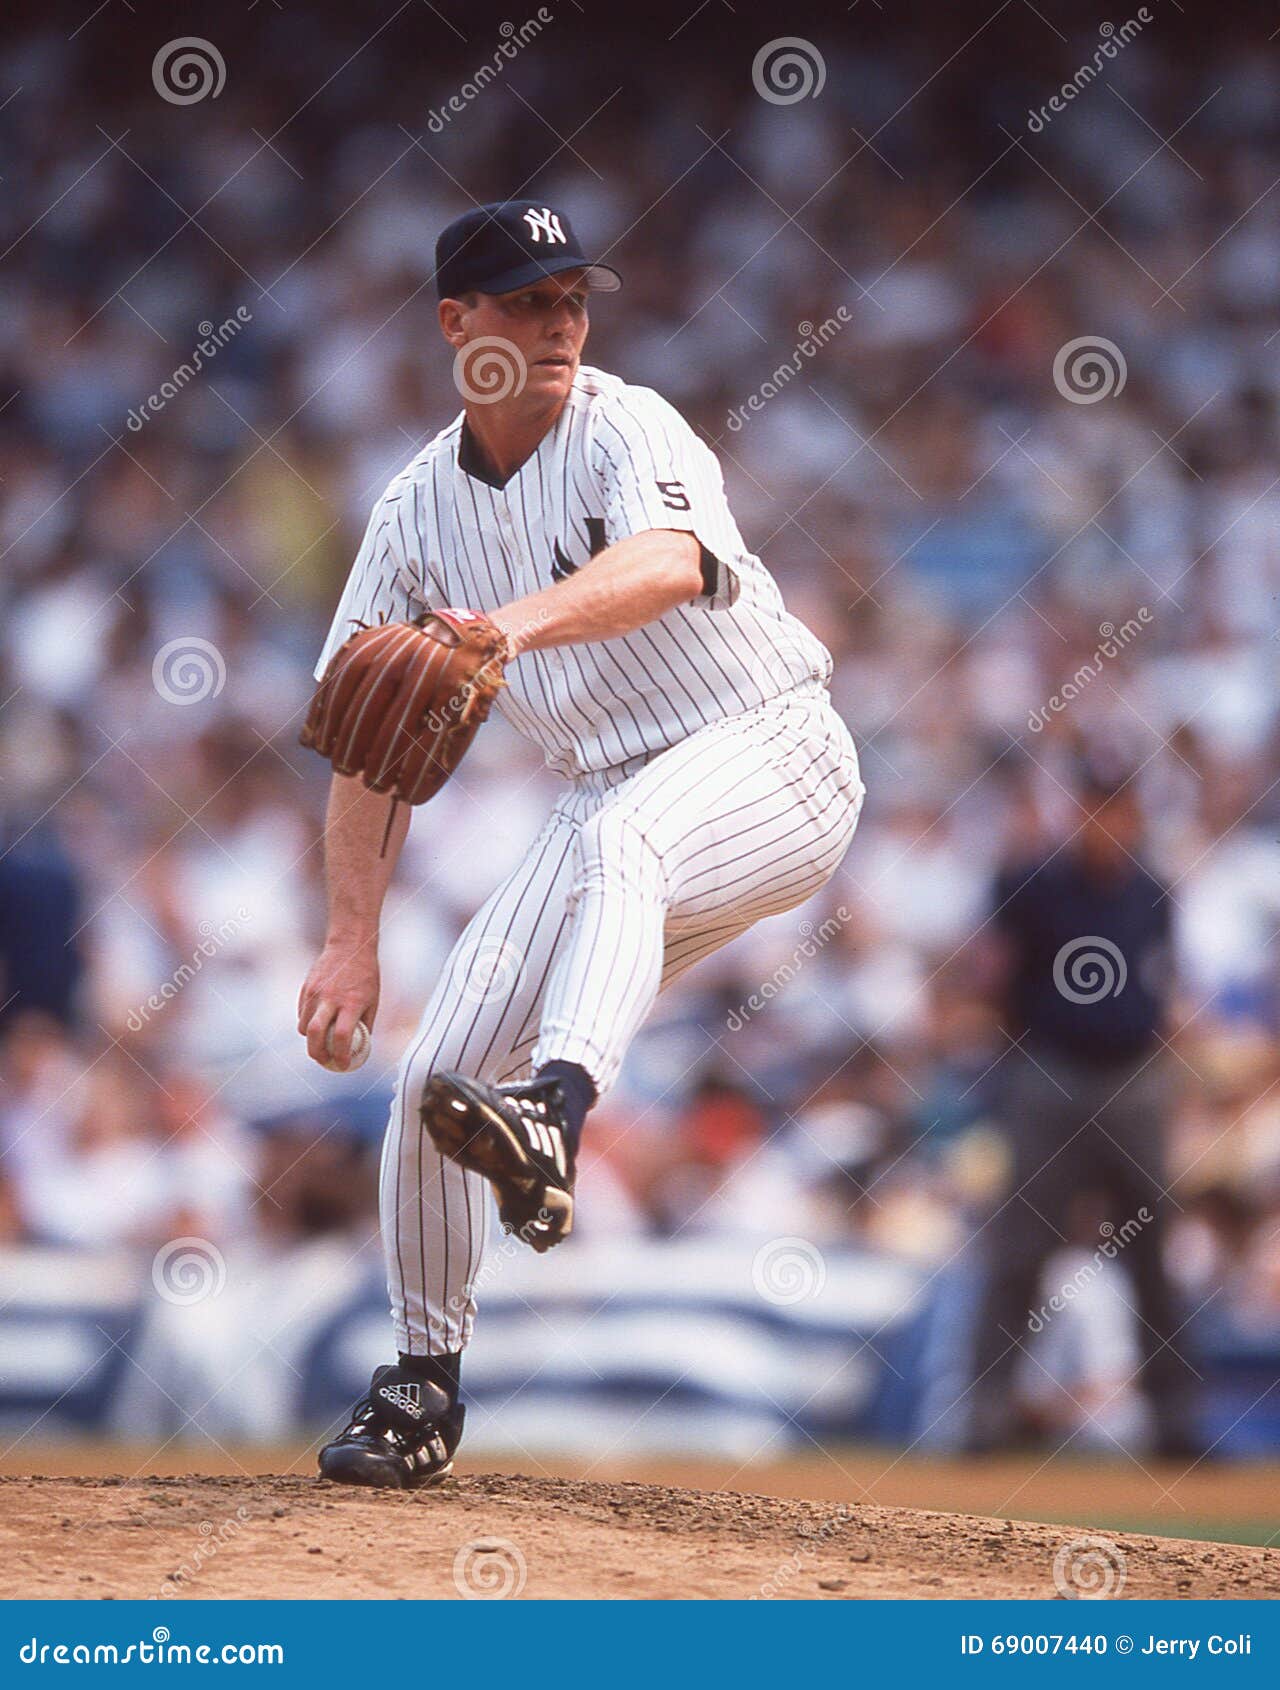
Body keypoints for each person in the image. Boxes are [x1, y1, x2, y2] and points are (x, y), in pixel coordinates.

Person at [296, 201, 865, 1487]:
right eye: (525, 300)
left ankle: (553, 1115)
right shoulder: (408, 512)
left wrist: (500, 626)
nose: (559, 323)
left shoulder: (625, 422)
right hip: (606, 790)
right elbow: (361, 735)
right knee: (438, 1068)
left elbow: (670, 560)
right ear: (458, 325)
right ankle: (420, 1386)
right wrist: (346, 941)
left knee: (626, 843)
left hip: (769, 746)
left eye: (571, 298)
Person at [968, 769, 1200, 1458]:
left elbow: (1165, 980)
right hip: (1051, 1073)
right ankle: (986, 1414)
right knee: (1023, 1249)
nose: (1106, 826)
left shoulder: (1152, 890)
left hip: (1133, 1079)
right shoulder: (1035, 885)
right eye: (1094, 810)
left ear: (1133, 817)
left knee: (1152, 1252)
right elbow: (998, 976)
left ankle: (1174, 1422)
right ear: (1078, 814)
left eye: (1118, 812)